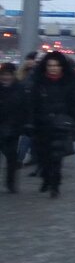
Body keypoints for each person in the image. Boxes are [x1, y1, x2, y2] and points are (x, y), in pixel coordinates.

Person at [29, 52, 75, 198]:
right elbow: (31, 104)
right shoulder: (38, 82)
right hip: (41, 123)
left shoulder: (69, 82)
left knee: (57, 155)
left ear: (62, 67)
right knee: (42, 155)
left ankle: (55, 184)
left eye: (56, 65)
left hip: (61, 124)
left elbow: (74, 105)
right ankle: (46, 178)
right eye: (50, 65)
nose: (53, 68)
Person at [0, 62, 28, 193]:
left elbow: (24, 108)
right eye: (3, 74)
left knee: (11, 157)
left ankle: (11, 183)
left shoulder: (19, 88)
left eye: (8, 74)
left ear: (13, 75)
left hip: (13, 128)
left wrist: (23, 124)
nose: (6, 77)